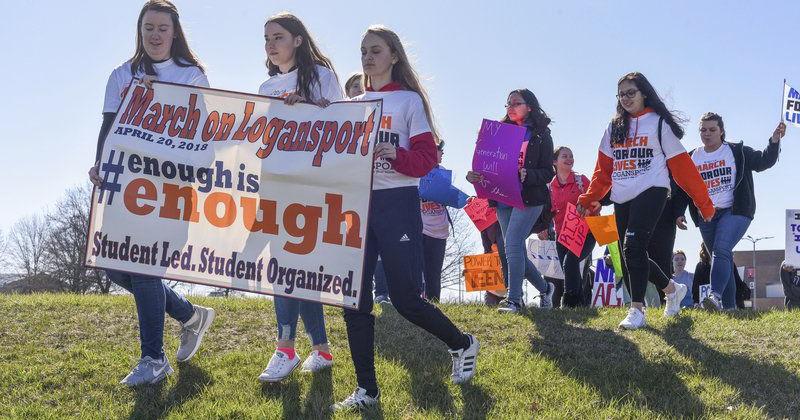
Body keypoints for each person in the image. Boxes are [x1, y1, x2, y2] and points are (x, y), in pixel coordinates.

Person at [333, 26, 479, 411]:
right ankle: (367, 390)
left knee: (405, 299)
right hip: (357, 206)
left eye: (376, 50)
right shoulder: (352, 104)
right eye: (363, 51)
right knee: (353, 299)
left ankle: (462, 343)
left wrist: (393, 154)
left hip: (397, 204)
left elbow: (426, 161)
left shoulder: (408, 102)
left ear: (394, 56)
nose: (368, 57)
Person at [87, 0, 215, 387]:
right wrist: (99, 163)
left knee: (144, 268)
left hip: (170, 188)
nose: (155, 35)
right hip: (127, 187)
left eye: (162, 28)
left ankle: (153, 359)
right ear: (139, 32)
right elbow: (110, 126)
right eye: (148, 28)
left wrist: (158, 97)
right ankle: (190, 314)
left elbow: (203, 130)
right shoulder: (121, 74)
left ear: (174, 33)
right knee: (114, 265)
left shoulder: (192, 75)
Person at [576, 72, 715, 330]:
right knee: (630, 255)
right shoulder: (613, 127)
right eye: (621, 94)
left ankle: (637, 310)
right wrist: (591, 197)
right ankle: (672, 289)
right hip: (622, 194)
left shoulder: (658, 124)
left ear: (644, 94)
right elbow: (603, 171)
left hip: (653, 190)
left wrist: (703, 203)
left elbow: (683, 168)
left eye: (631, 92)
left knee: (633, 246)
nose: (626, 98)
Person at [255, 13, 343, 383]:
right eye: (266, 39)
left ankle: (285, 348)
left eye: (278, 37)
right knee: (289, 265)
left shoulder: (322, 75)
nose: (270, 45)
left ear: (298, 40)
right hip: (275, 182)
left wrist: (307, 105)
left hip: (312, 183)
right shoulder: (265, 86)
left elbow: (344, 124)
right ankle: (320, 349)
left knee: (296, 264)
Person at [674, 112, 786, 310]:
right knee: (721, 258)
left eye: (712, 129)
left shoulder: (736, 151)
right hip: (706, 215)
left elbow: (763, 161)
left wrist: (774, 140)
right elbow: (684, 188)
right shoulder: (692, 157)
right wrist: (679, 211)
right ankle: (730, 308)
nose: (707, 134)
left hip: (735, 211)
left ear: (721, 131)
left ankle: (714, 295)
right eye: (703, 130)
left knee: (721, 250)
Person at [466, 88, 555, 313]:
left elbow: (548, 172)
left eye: (516, 103)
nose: (510, 108)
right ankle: (545, 289)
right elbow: (488, 164)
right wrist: (475, 175)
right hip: (502, 196)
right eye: (508, 104)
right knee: (512, 250)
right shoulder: (497, 133)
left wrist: (529, 174)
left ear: (529, 107)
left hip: (530, 198)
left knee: (513, 243)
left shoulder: (541, 135)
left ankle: (514, 300)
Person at [549, 146, 596, 307]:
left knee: (570, 262)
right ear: (554, 161)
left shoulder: (581, 181)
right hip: (562, 235)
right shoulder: (550, 187)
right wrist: (542, 228)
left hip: (586, 233)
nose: (569, 159)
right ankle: (581, 305)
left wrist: (588, 208)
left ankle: (568, 303)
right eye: (565, 156)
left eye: (571, 156)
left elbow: (596, 202)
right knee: (570, 269)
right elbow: (548, 212)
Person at [420, 141, 451, 301]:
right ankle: (417, 300)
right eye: (439, 149)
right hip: (420, 228)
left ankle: (434, 302)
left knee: (434, 270)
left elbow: (448, 197)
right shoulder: (416, 171)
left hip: (440, 230)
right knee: (417, 268)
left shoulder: (443, 172)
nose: (442, 153)